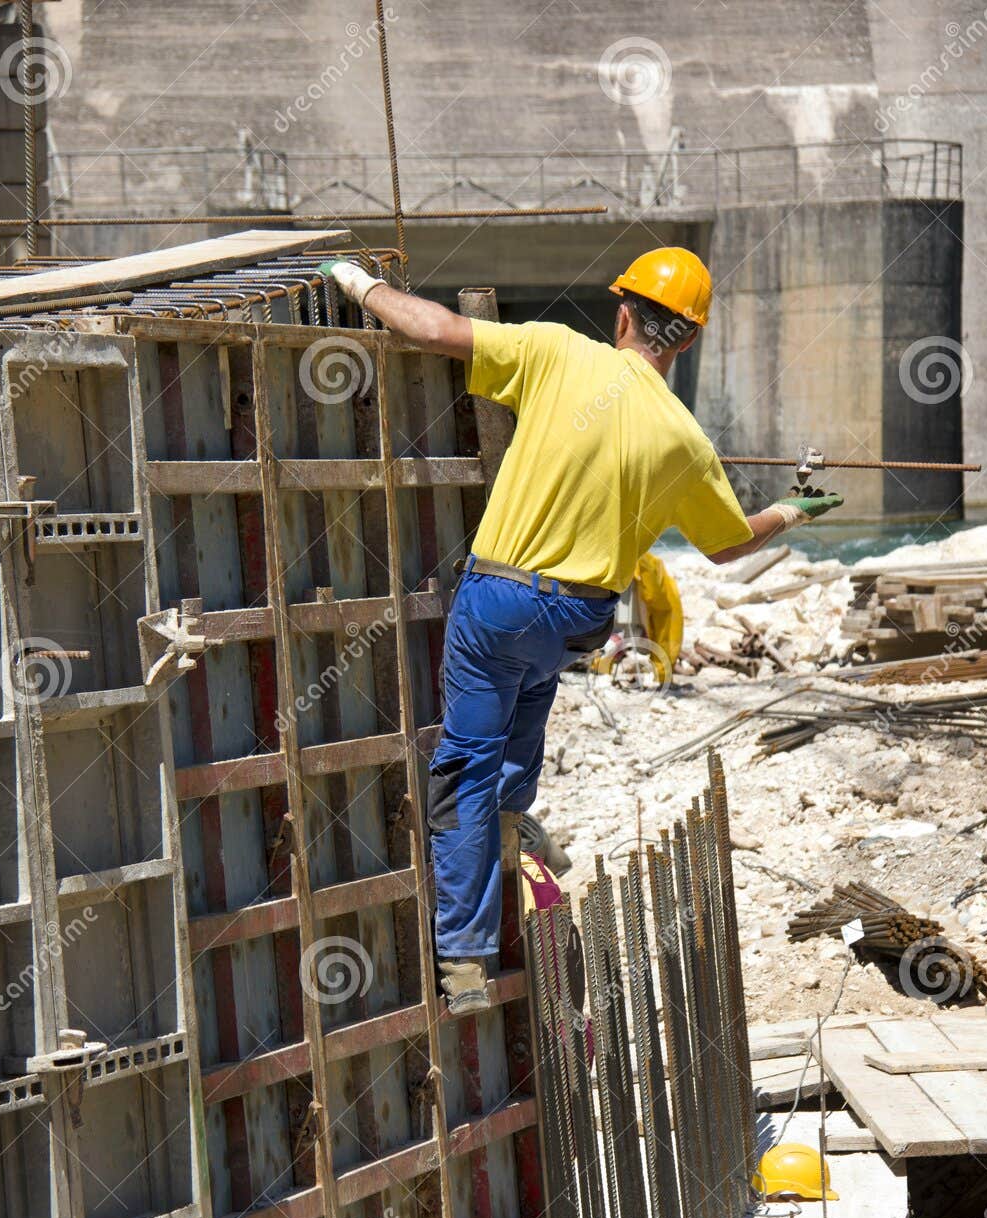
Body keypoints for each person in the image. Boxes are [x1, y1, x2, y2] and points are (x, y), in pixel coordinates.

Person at [319, 248, 842, 1013]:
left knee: (464, 767)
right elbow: (730, 544)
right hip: (578, 620)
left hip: (501, 602)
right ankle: (515, 836)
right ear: (686, 343)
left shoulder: (555, 351)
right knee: (511, 751)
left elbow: (430, 328)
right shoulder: (685, 441)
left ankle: (463, 959)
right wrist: (794, 509)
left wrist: (359, 284)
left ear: (622, 314)